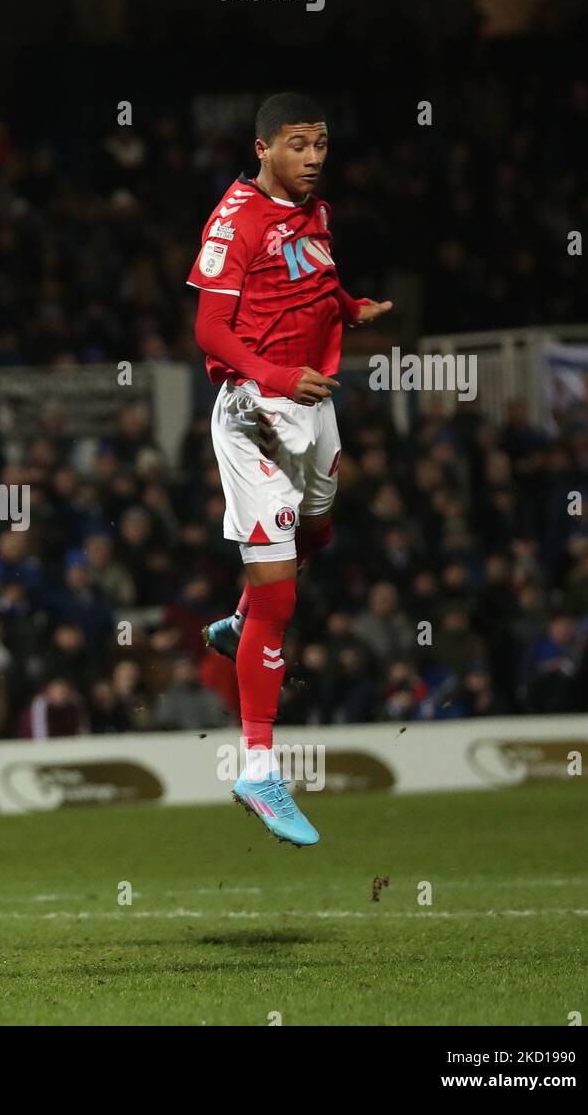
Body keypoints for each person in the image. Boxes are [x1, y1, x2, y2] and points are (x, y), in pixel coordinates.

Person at [186, 92, 393, 846]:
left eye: (322, 145)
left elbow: (311, 281)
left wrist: (347, 305)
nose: (312, 157)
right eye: (299, 144)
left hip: (310, 400)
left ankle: (238, 619)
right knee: (282, 596)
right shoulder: (233, 220)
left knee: (322, 529)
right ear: (264, 146)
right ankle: (259, 766)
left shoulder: (316, 214)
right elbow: (209, 326)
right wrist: (272, 376)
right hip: (254, 411)